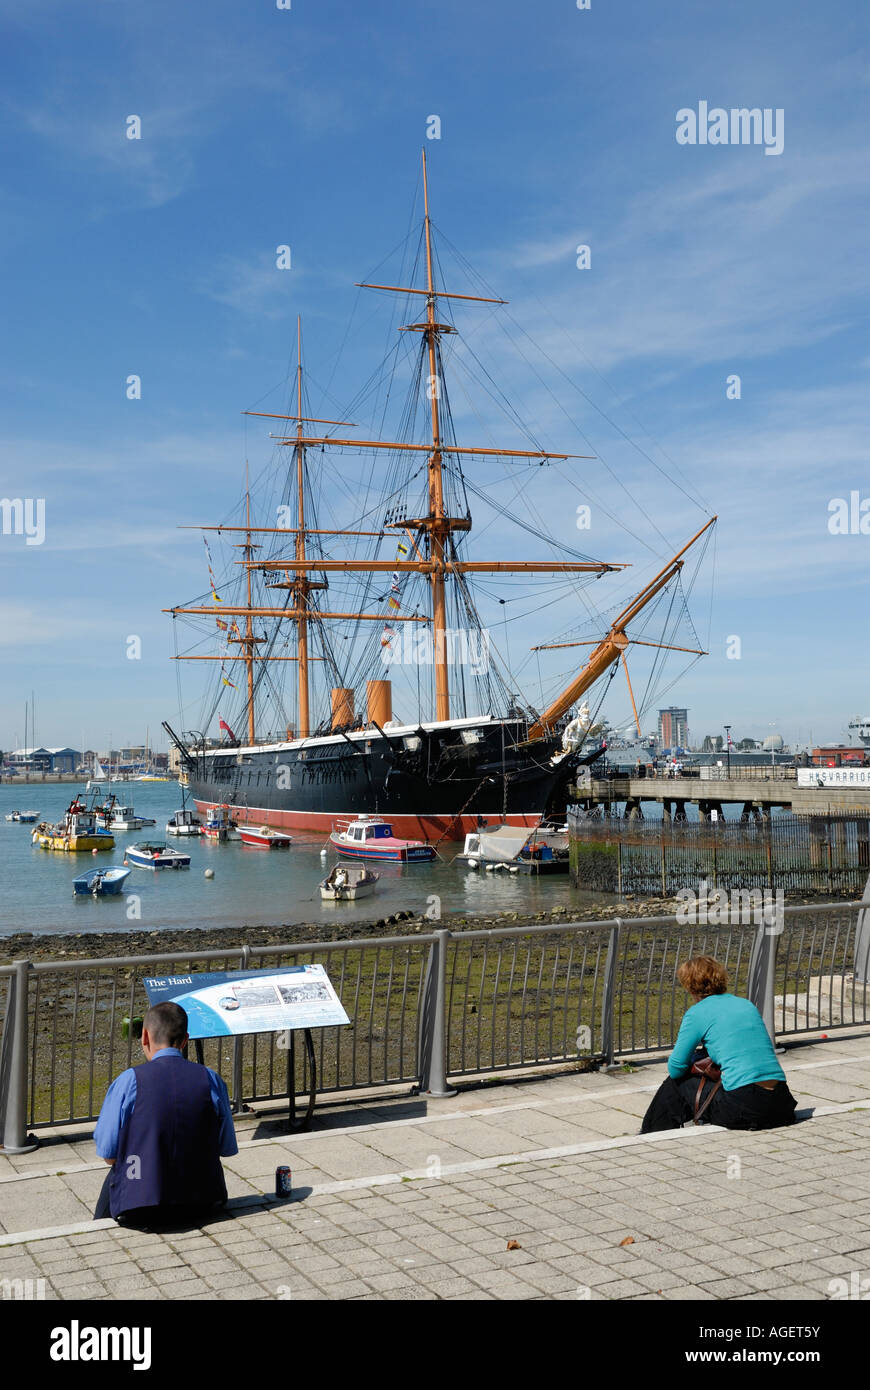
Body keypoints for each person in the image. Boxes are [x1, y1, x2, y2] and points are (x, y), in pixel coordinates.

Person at [93, 1001, 238, 1227]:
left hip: (141, 1206)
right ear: (185, 1040)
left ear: (145, 1037)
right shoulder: (210, 1079)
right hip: (203, 1203)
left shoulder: (129, 1081)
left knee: (117, 1175)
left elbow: (109, 1154)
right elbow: (226, 1147)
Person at [641, 956, 797, 1132]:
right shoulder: (746, 1005)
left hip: (746, 1108)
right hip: (782, 1103)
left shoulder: (697, 1013)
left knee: (675, 1084)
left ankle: (650, 1134)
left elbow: (676, 1067)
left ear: (689, 986)